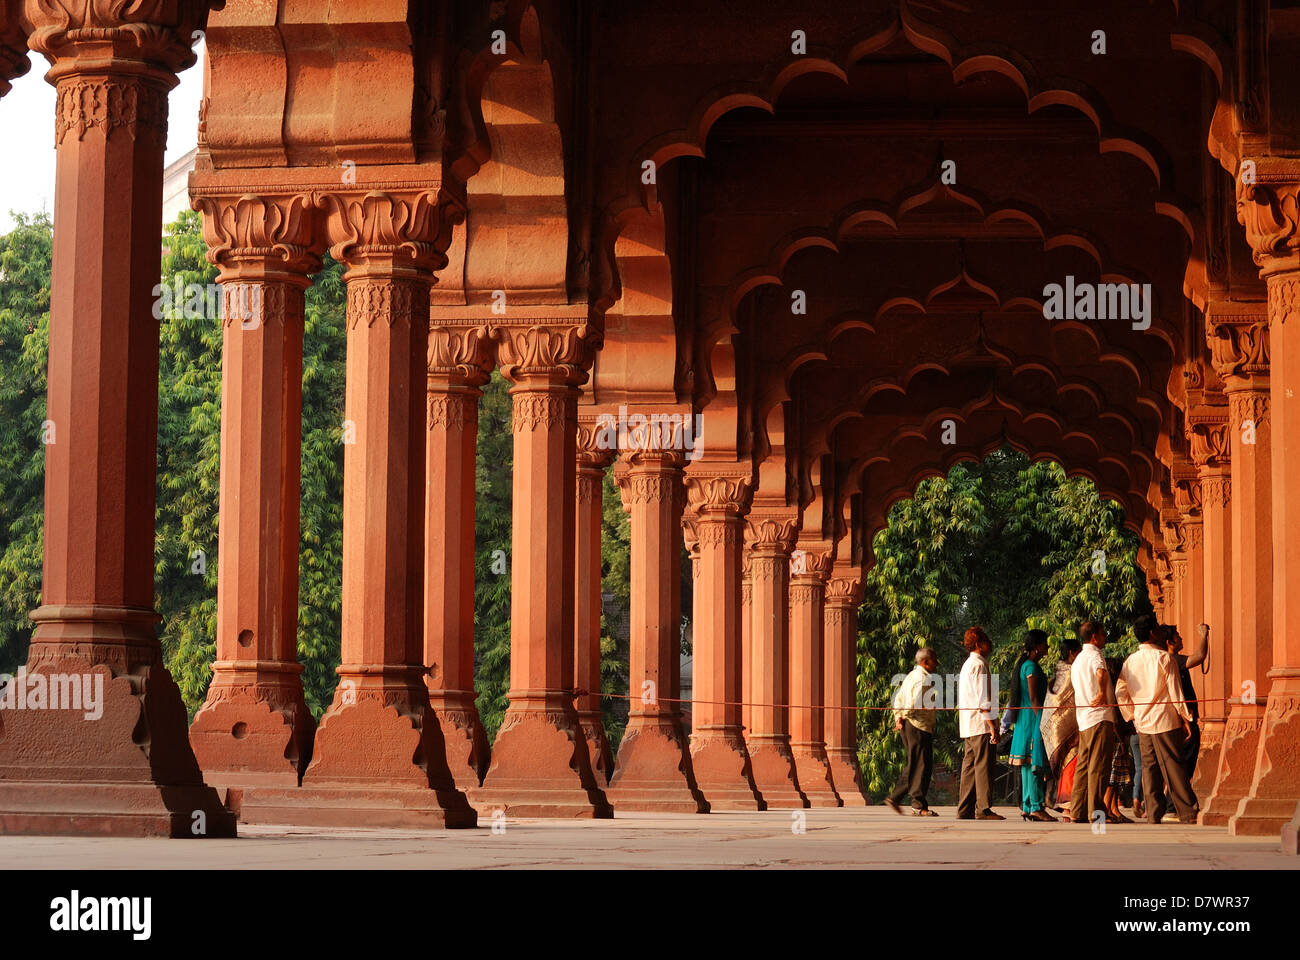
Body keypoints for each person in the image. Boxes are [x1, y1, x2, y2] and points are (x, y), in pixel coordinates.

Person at [1115, 615, 1199, 824]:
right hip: (1165, 720)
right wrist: (1186, 717)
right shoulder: (1164, 658)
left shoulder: (1130, 661)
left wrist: (1132, 714)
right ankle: (1187, 812)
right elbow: (1175, 691)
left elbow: (1120, 692)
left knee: (1150, 769)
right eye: (1160, 630)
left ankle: (1154, 813)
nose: (1164, 633)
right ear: (1153, 633)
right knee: (1174, 766)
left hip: (1143, 722)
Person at [1069, 620, 1119, 825]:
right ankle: (1096, 813)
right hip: (1099, 716)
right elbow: (1101, 672)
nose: (1105, 638)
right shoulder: (1095, 655)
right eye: (1103, 634)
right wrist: (1101, 692)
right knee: (1099, 765)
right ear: (1095, 637)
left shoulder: (1078, 659)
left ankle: (1077, 810)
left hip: (1084, 718)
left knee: (1084, 764)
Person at [956, 626, 1004, 820]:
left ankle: (964, 809)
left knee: (969, 768)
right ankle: (983, 808)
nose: (989, 643)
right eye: (986, 640)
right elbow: (983, 698)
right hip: (980, 724)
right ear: (978, 644)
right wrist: (993, 726)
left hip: (969, 724)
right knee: (984, 767)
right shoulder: (979, 664)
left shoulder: (968, 664)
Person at [886, 647, 939, 816]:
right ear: (926, 662)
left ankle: (905, 800)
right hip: (918, 726)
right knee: (920, 766)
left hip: (912, 724)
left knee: (917, 764)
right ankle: (913, 803)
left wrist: (898, 716)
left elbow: (899, 698)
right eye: (934, 660)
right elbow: (913, 703)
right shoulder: (921, 679)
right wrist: (905, 714)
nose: (936, 664)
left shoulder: (911, 676)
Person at [1007, 630, 1054, 821]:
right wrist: (1042, 723)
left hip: (1025, 720)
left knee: (1027, 766)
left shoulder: (1026, 665)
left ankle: (1028, 805)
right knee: (1035, 764)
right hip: (1032, 719)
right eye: (1045, 644)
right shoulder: (1031, 668)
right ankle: (1036, 806)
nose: (1047, 648)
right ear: (1036, 648)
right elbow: (1035, 698)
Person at [1167, 622, 1209, 809]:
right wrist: (1203, 636)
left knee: (1180, 763)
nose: (1181, 639)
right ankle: (1173, 804)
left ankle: (1175, 803)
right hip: (1184, 719)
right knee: (1184, 763)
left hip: (1181, 718)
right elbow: (1199, 657)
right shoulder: (1173, 660)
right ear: (1170, 642)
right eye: (1177, 636)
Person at [1041, 636, 1082, 811]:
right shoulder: (1071, 672)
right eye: (1079, 653)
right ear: (1073, 653)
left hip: (1066, 727)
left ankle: (1069, 805)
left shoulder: (1060, 672)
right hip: (1068, 728)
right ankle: (1069, 804)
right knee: (1071, 764)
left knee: (1071, 763)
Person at [1103, 656, 1135, 823]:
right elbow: (1113, 716)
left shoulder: (1116, 687)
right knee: (1112, 776)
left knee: (1117, 777)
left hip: (1119, 734)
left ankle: (1113, 809)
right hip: (1115, 736)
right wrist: (1120, 739)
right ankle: (1106, 809)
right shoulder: (1113, 689)